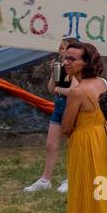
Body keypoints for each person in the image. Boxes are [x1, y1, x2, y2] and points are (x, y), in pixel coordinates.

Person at [62, 41, 107, 213]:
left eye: (72, 59)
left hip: (84, 141)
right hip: (102, 138)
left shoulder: (78, 91)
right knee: (101, 189)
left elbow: (66, 127)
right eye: (65, 57)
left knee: (85, 190)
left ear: (86, 62)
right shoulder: (102, 83)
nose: (66, 62)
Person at [24, 39, 74, 193]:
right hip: (58, 105)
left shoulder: (75, 67)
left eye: (62, 47)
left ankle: (71, 178)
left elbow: (75, 91)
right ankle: (45, 179)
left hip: (70, 106)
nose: (59, 49)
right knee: (51, 144)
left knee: (72, 145)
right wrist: (54, 73)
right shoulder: (60, 66)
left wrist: (59, 88)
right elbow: (51, 89)